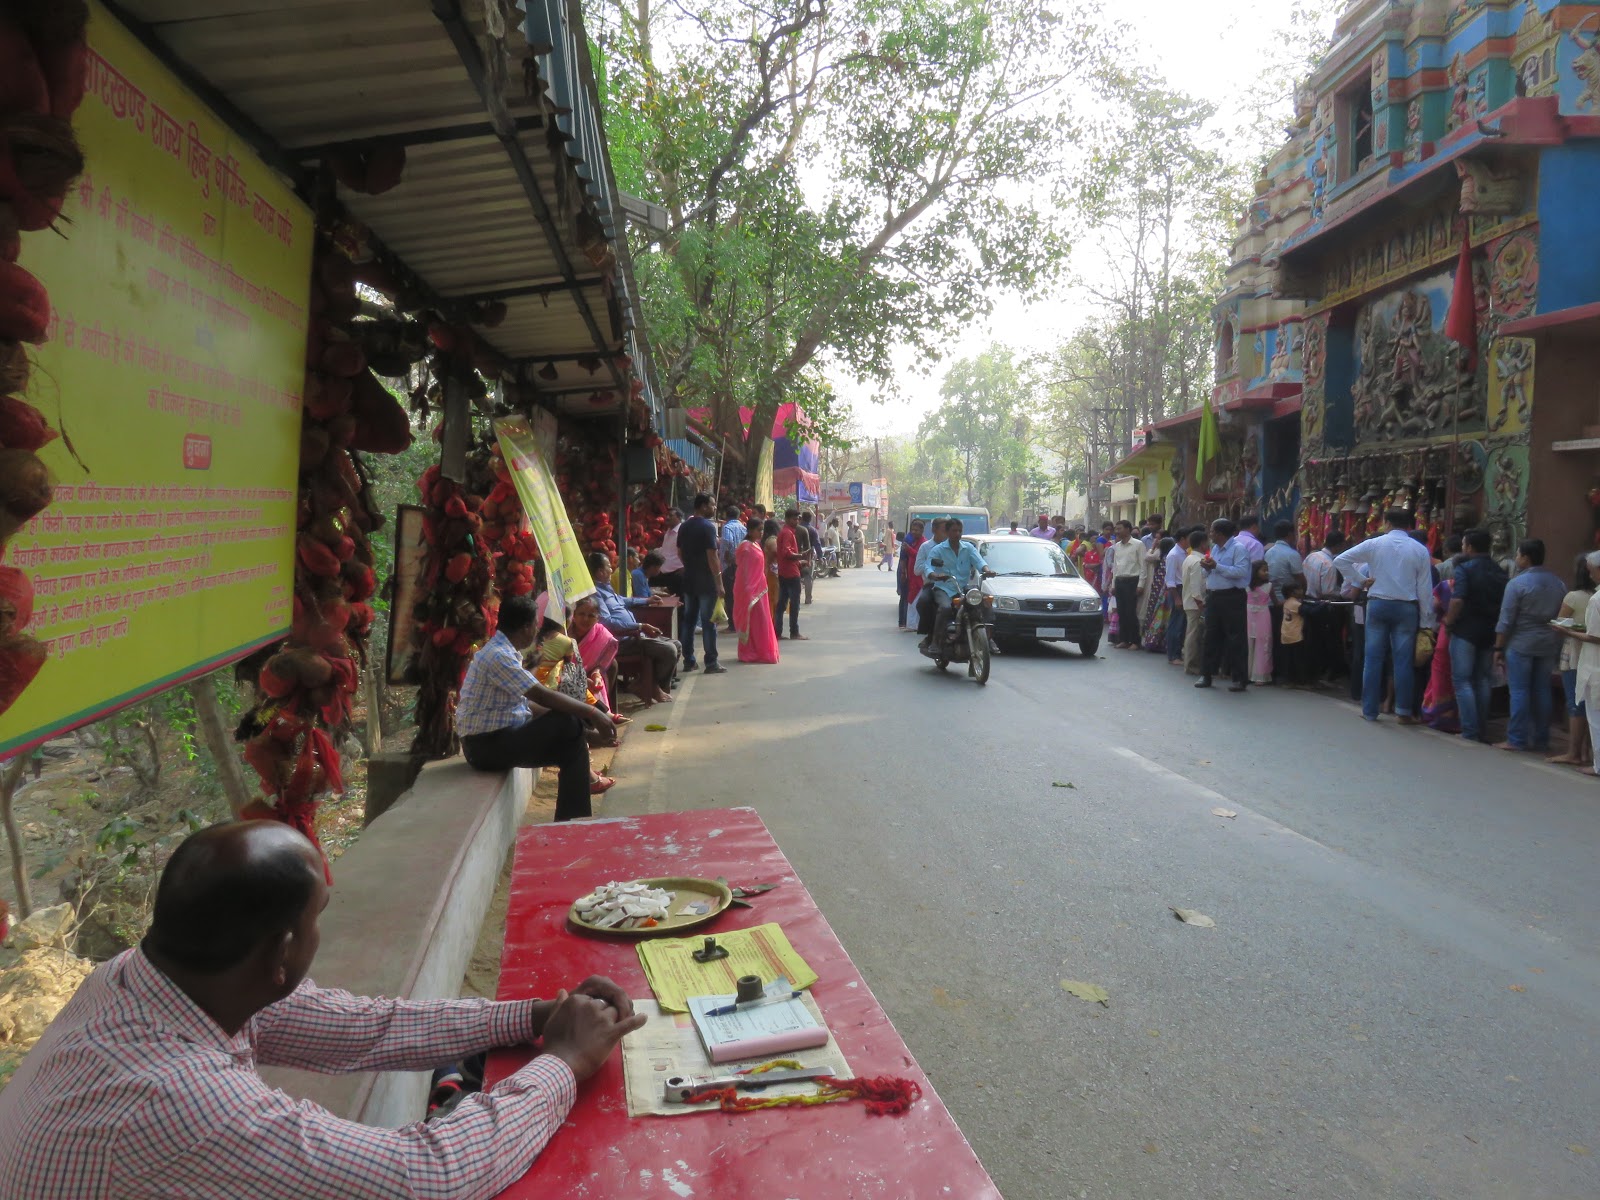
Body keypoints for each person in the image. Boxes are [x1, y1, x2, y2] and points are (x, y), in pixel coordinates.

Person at [0, 821, 644, 1200]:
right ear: (282, 951)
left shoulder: (146, 980)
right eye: (317, 922)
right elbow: (432, 1178)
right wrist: (565, 1062)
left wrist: (534, 1016)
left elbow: (363, 1028)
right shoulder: (176, 1101)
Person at [454, 596, 615, 820]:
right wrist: (593, 712)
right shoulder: (498, 656)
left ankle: (572, 821)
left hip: (496, 740)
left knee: (573, 745)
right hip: (484, 747)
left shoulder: (504, 651)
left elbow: (527, 704)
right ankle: (573, 819)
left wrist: (583, 724)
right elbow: (540, 694)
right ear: (527, 626)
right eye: (535, 625)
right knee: (568, 722)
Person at [1334, 509, 1435, 724]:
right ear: (1410, 526)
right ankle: (1403, 711)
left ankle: (1370, 710)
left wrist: (1360, 581)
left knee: (1373, 658)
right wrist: (1427, 621)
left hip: (1378, 605)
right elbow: (1425, 589)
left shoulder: (1375, 544)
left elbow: (1341, 560)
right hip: (1407, 607)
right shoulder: (1419, 550)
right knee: (1403, 661)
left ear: (1386, 523)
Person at [1493, 538, 1567, 753]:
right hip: (1548, 642)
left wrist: (1498, 647)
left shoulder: (1517, 584)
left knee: (1519, 690)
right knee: (1542, 689)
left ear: (1525, 557)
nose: (1516, 558)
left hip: (1521, 642)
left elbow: (1505, 619)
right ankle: (1541, 738)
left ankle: (1516, 738)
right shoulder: (1558, 583)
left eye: (1518, 554)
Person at [1439, 528, 1505, 743]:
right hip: (1489, 629)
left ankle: (1469, 729)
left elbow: (1458, 600)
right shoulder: (1499, 570)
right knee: (1482, 679)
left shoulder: (1465, 569)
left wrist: (1449, 621)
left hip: (1466, 628)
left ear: (1469, 546)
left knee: (1462, 680)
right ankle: (1480, 728)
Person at [587, 550, 680, 694]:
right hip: (622, 640)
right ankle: (650, 686)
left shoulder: (607, 588)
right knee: (669, 650)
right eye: (608, 567)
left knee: (676, 644)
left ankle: (649, 684)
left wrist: (646, 600)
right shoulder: (596, 593)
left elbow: (622, 600)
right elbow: (607, 622)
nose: (612, 569)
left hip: (634, 635)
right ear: (600, 572)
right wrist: (640, 626)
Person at [1554, 551, 1600, 776]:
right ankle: (1588, 754)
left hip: (1585, 659)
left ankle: (1584, 757)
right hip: (1591, 659)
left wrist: (1566, 630)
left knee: (1585, 710)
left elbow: (1593, 635)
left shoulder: (1588, 598)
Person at [1197, 517, 1251, 692]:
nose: (1210, 534)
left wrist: (1216, 566)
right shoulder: (1215, 548)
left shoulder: (1238, 549)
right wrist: (1206, 567)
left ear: (1219, 533)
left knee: (1236, 638)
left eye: (1212, 531)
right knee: (1210, 636)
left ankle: (1239, 678)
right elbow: (1211, 570)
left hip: (1232, 596)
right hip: (1214, 596)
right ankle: (1207, 674)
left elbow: (1241, 572)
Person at [675, 493, 725, 675]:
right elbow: (712, 557)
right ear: (703, 506)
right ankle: (711, 662)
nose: (714, 508)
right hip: (705, 582)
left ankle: (689, 660)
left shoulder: (684, 526)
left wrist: (690, 565)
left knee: (688, 621)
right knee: (708, 622)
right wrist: (719, 582)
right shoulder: (708, 527)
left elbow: (679, 552)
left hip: (689, 580)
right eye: (712, 504)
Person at [921, 518, 987, 649]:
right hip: (944, 588)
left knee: (985, 603)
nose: (957, 534)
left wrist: (987, 570)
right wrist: (936, 575)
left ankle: (988, 637)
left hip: (963, 588)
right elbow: (928, 566)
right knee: (945, 608)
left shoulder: (968, 548)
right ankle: (935, 640)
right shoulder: (938, 549)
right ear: (947, 532)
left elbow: (980, 562)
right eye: (954, 531)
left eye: (960, 531)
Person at [1302, 529, 1349, 684]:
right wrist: (1343, 593)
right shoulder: (1329, 564)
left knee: (1311, 638)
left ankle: (1313, 672)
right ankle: (1326, 672)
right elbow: (1328, 591)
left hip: (1308, 600)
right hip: (1321, 605)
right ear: (1338, 546)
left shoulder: (1311, 556)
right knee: (1326, 640)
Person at [734, 522, 780, 665]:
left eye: (762, 530)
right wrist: (748, 591)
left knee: (762, 622)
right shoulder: (746, 547)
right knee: (754, 622)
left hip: (760, 589)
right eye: (758, 530)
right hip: (750, 591)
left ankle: (760, 651)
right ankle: (750, 653)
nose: (761, 533)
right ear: (750, 530)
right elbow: (744, 571)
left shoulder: (755, 544)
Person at [1421, 566, 1459, 733]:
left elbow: (1434, 605)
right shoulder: (1477, 587)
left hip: (1447, 632)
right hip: (1470, 635)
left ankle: (1439, 715)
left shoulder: (1446, 586)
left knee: (1441, 674)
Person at [1108, 520, 1145, 649]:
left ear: (1128, 529)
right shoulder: (1117, 546)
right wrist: (1113, 584)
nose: (1117, 531)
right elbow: (1115, 567)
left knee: (1131, 612)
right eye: (1116, 529)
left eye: (1119, 529)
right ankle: (1123, 639)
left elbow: (1142, 566)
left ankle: (1135, 641)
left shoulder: (1138, 545)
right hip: (1119, 581)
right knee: (1121, 612)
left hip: (1132, 581)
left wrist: (1141, 584)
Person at [913, 519, 948, 636]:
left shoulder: (953, 546)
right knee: (923, 602)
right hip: (932, 584)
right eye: (944, 530)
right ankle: (929, 632)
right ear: (934, 530)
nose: (947, 533)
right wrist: (931, 563)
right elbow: (917, 570)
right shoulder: (925, 547)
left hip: (951, 584)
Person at [775, 508, 807, 640]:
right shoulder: (788, 533)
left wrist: (799, 561)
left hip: (784, 571)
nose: (797, 521)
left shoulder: (785, 532)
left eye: (798, 518)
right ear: (787, 519)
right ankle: (794, 632)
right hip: (791, 574)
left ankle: (778, 632)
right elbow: (787, 553)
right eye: (795, 518)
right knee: (794, 604)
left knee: (782, 604)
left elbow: (784, 555)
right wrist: (800, 556)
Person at [1182, 528, 1209, 675]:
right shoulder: (1198, 561)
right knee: (1193, 634)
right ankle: (1191, 665)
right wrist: (1200, 603)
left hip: (1189, 601)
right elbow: (1195, 585)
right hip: (1195, 603)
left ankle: (1191, 662)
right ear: (1202, 543)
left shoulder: (1189, 558)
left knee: (1192, 633)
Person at [1140, 536, 1174, 653]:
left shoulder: (1160, 557)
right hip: (1164, 591)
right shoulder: (1165, 558)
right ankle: (1158, 641)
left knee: (1155, 614)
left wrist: (1153, 547)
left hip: (1156, 590)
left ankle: (1151, 639)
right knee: (1163, 616)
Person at [1164, 529, 1190, 664]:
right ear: (1183, 539)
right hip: (1177, 590)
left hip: (1183, 589)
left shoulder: (1184, 553)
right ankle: (1173, 655)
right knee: (1176, 623)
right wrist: (1176, 598)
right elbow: (1170, 579)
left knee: (1182, 623)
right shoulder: (1173, 555)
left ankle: (1177, 652)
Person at [1246, 559, 1274, 685]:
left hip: (1258, 615)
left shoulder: (1268, 586)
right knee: (1250, 643)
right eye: (1264, 570)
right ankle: (1250, 673)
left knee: (1262, 643)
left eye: (1267, 570)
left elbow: (1276, 601)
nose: (1266, 572)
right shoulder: (1247, 585)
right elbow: (1277, 602)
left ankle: (1259, 675)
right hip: (1254, 615)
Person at [897, 518, 928, 630]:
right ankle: (911, 624)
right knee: (911, 600)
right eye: (912, 530)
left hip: (918, 578)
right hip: (912, 577)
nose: (914, 532)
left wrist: (909, 549)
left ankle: (914, 624)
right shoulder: (912, 541)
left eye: (917, 530)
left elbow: (920, 557)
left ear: (922, 531)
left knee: (914, 601)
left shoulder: (923, 543)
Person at [1279, 580, 1310, 687]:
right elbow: (1309, 612)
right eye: (1299, 589)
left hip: (1286, 634)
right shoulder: (1296, 604)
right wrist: (1323, 605)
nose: (1302, 590)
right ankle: (1299, 680)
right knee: (1298, 659)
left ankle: (1288, 679)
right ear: (1292, 592)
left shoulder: (1287, 602)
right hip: (1296, 635)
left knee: (1288, 659)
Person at [719, 503, 746, 619]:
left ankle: (732, 623)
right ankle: (740, 619)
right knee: (739, 594)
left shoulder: (727, 527)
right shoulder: (744, 528)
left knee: (730, 594)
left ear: (726, 515)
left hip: (729, 565)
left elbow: (727, 541)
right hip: (742, 565)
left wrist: (726, 557)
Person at [656, 508, 685, 595]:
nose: (667, 517)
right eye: (667, 515)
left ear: (679, 518)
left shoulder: (682, 532)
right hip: (665, 574)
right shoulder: (668, 532)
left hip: (678, 573)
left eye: (671, 515)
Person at [762, 518, 782, 619]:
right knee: (774, 600)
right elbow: (776, 552)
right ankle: (773, 626)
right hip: (773, 572)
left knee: (771, 599)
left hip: (769, 572)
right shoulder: (773, 540)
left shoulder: (766, 540)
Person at [799, 511, 819, 603]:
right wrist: (821, 556)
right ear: (810, 519)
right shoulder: (813, 530)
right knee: (808, 577)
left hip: (796, 556)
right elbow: (817, 544)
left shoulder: (796, 529)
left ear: (802, 518)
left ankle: (796, 598)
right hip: (809, 557)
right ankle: (808, 598)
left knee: (797, 577)